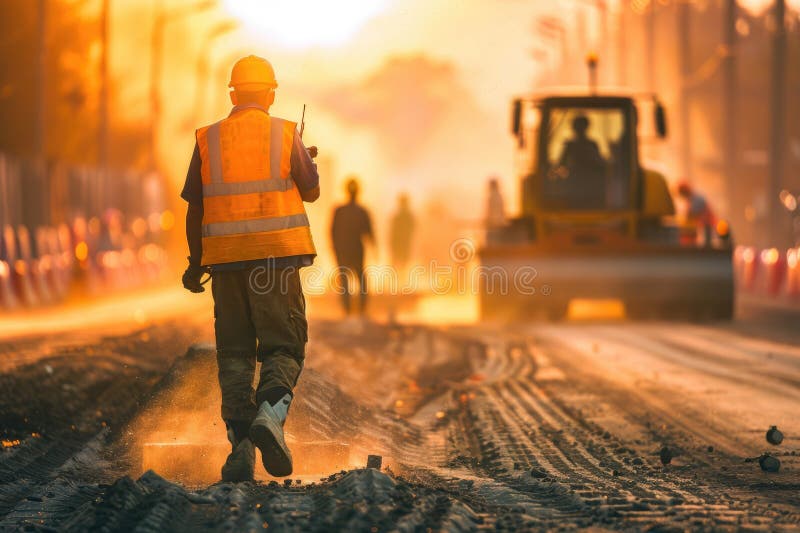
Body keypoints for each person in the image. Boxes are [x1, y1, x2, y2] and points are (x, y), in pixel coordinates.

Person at [180, 55, 320, 482]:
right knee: (283, 347)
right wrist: (307, 161)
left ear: (233, 94)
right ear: (272, 93)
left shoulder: (209, 138)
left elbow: (196, 206)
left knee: (236, 356)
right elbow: (311, 191)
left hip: (224, 267)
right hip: (274, 262)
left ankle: (241, 447)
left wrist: (194, 262)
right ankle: (271, 416)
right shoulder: (284, 133)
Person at [331, 177, 374, 315]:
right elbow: (369, 233)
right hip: (357, 250)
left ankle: (348, 310)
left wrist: (335, 249)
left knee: (345, 280)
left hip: (343, 251)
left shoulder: (339, 211)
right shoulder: (362, 211)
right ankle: (361, 309)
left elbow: (332, 232)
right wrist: (374, 247)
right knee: (360, 278)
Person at [558, 115, 606, 208]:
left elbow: (561, 164)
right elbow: (561, 164)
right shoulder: (589, 144)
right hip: (579, 185)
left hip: (584, 185)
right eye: (577, 126)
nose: (579, 129)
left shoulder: (572, 145)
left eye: (580, 126)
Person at [677, 181, 715, 245]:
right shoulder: (691, 199)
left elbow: (692, 214)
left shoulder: (697, 199)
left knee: (707, 242)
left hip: (706, 225)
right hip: (702, 226)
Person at [389, 193, 415, 271]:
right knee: (401, 263)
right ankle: (400, 278)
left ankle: (399, 279)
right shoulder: (408, 216)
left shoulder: (398, 217)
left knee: (399, 263)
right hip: (402, 243)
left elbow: (392, 231)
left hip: (401, 243)